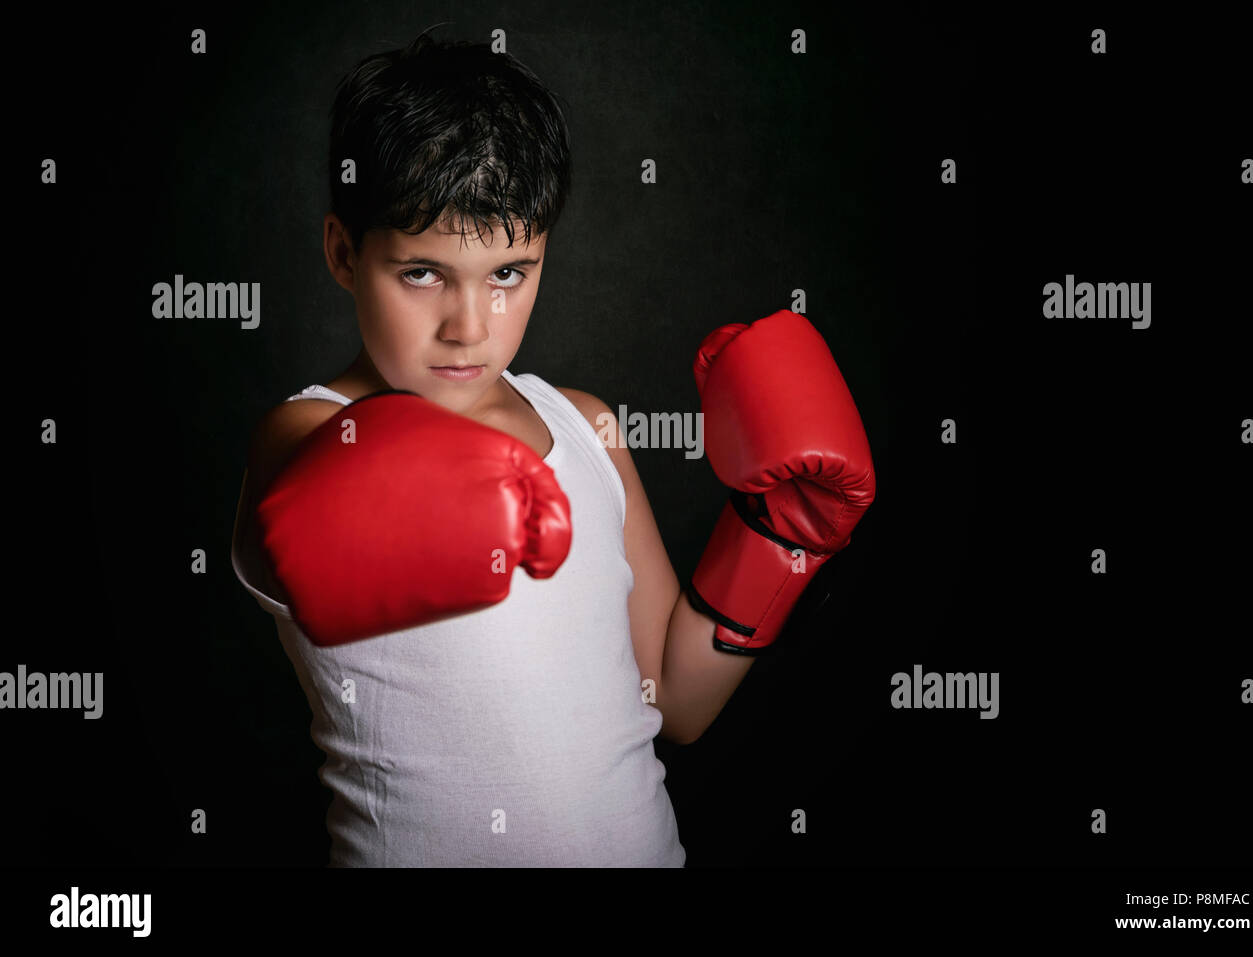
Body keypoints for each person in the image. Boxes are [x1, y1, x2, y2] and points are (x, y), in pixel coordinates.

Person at [230, 32, 873, 867]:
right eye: (423, 273)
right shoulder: (308, 432)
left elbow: (674, 699)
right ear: (344, 252)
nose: (469, 326)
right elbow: (317, 499)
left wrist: (777, 539)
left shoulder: (586, 426)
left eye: (508, 274)